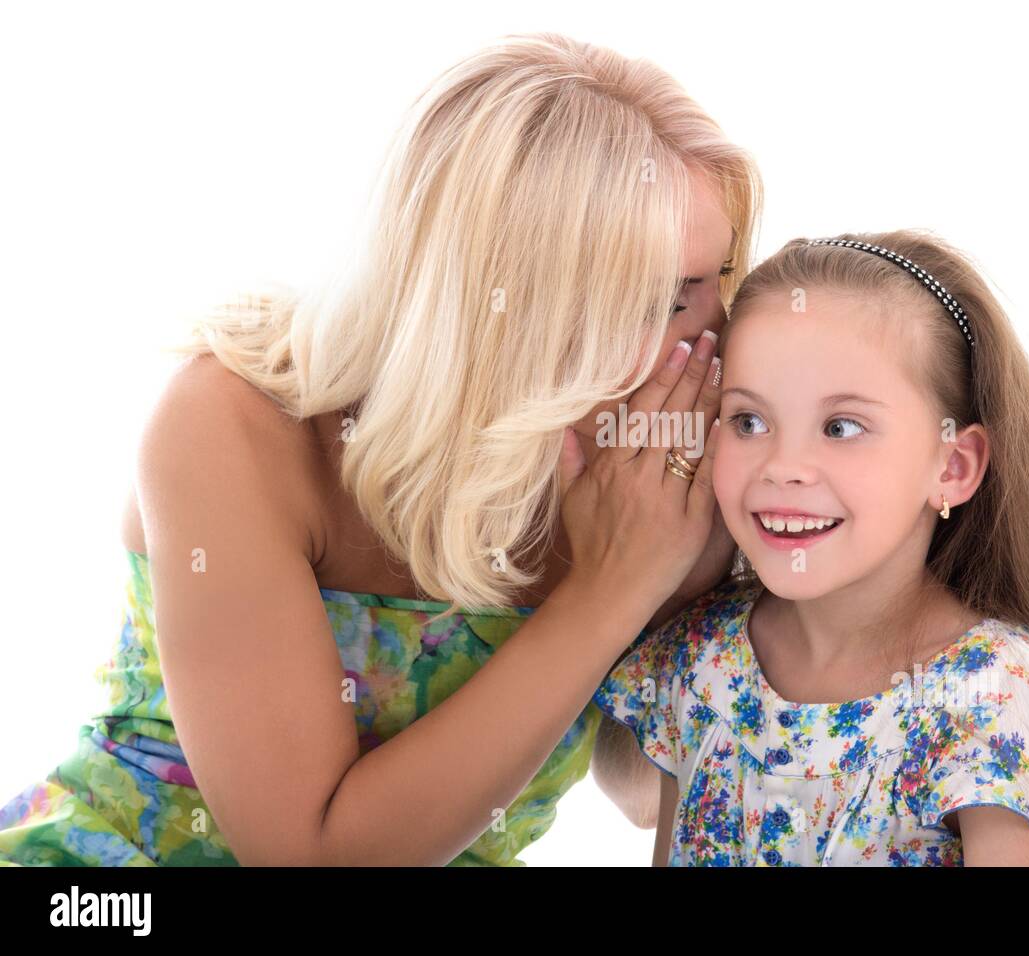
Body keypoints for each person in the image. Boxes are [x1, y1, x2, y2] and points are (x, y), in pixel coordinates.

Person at [0, 31, 761, 866]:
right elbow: (307, 855)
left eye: (715, 282)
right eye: (665, 301)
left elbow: (643, 791)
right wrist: (611, 592)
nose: (714, 340)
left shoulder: (660, 467)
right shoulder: (234, 422)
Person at [595, 230, 1029, 866]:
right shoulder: (699, 658)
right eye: (749, 421)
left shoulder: (991, 693)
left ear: (952, 467)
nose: (784, 467)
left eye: (842, 427)